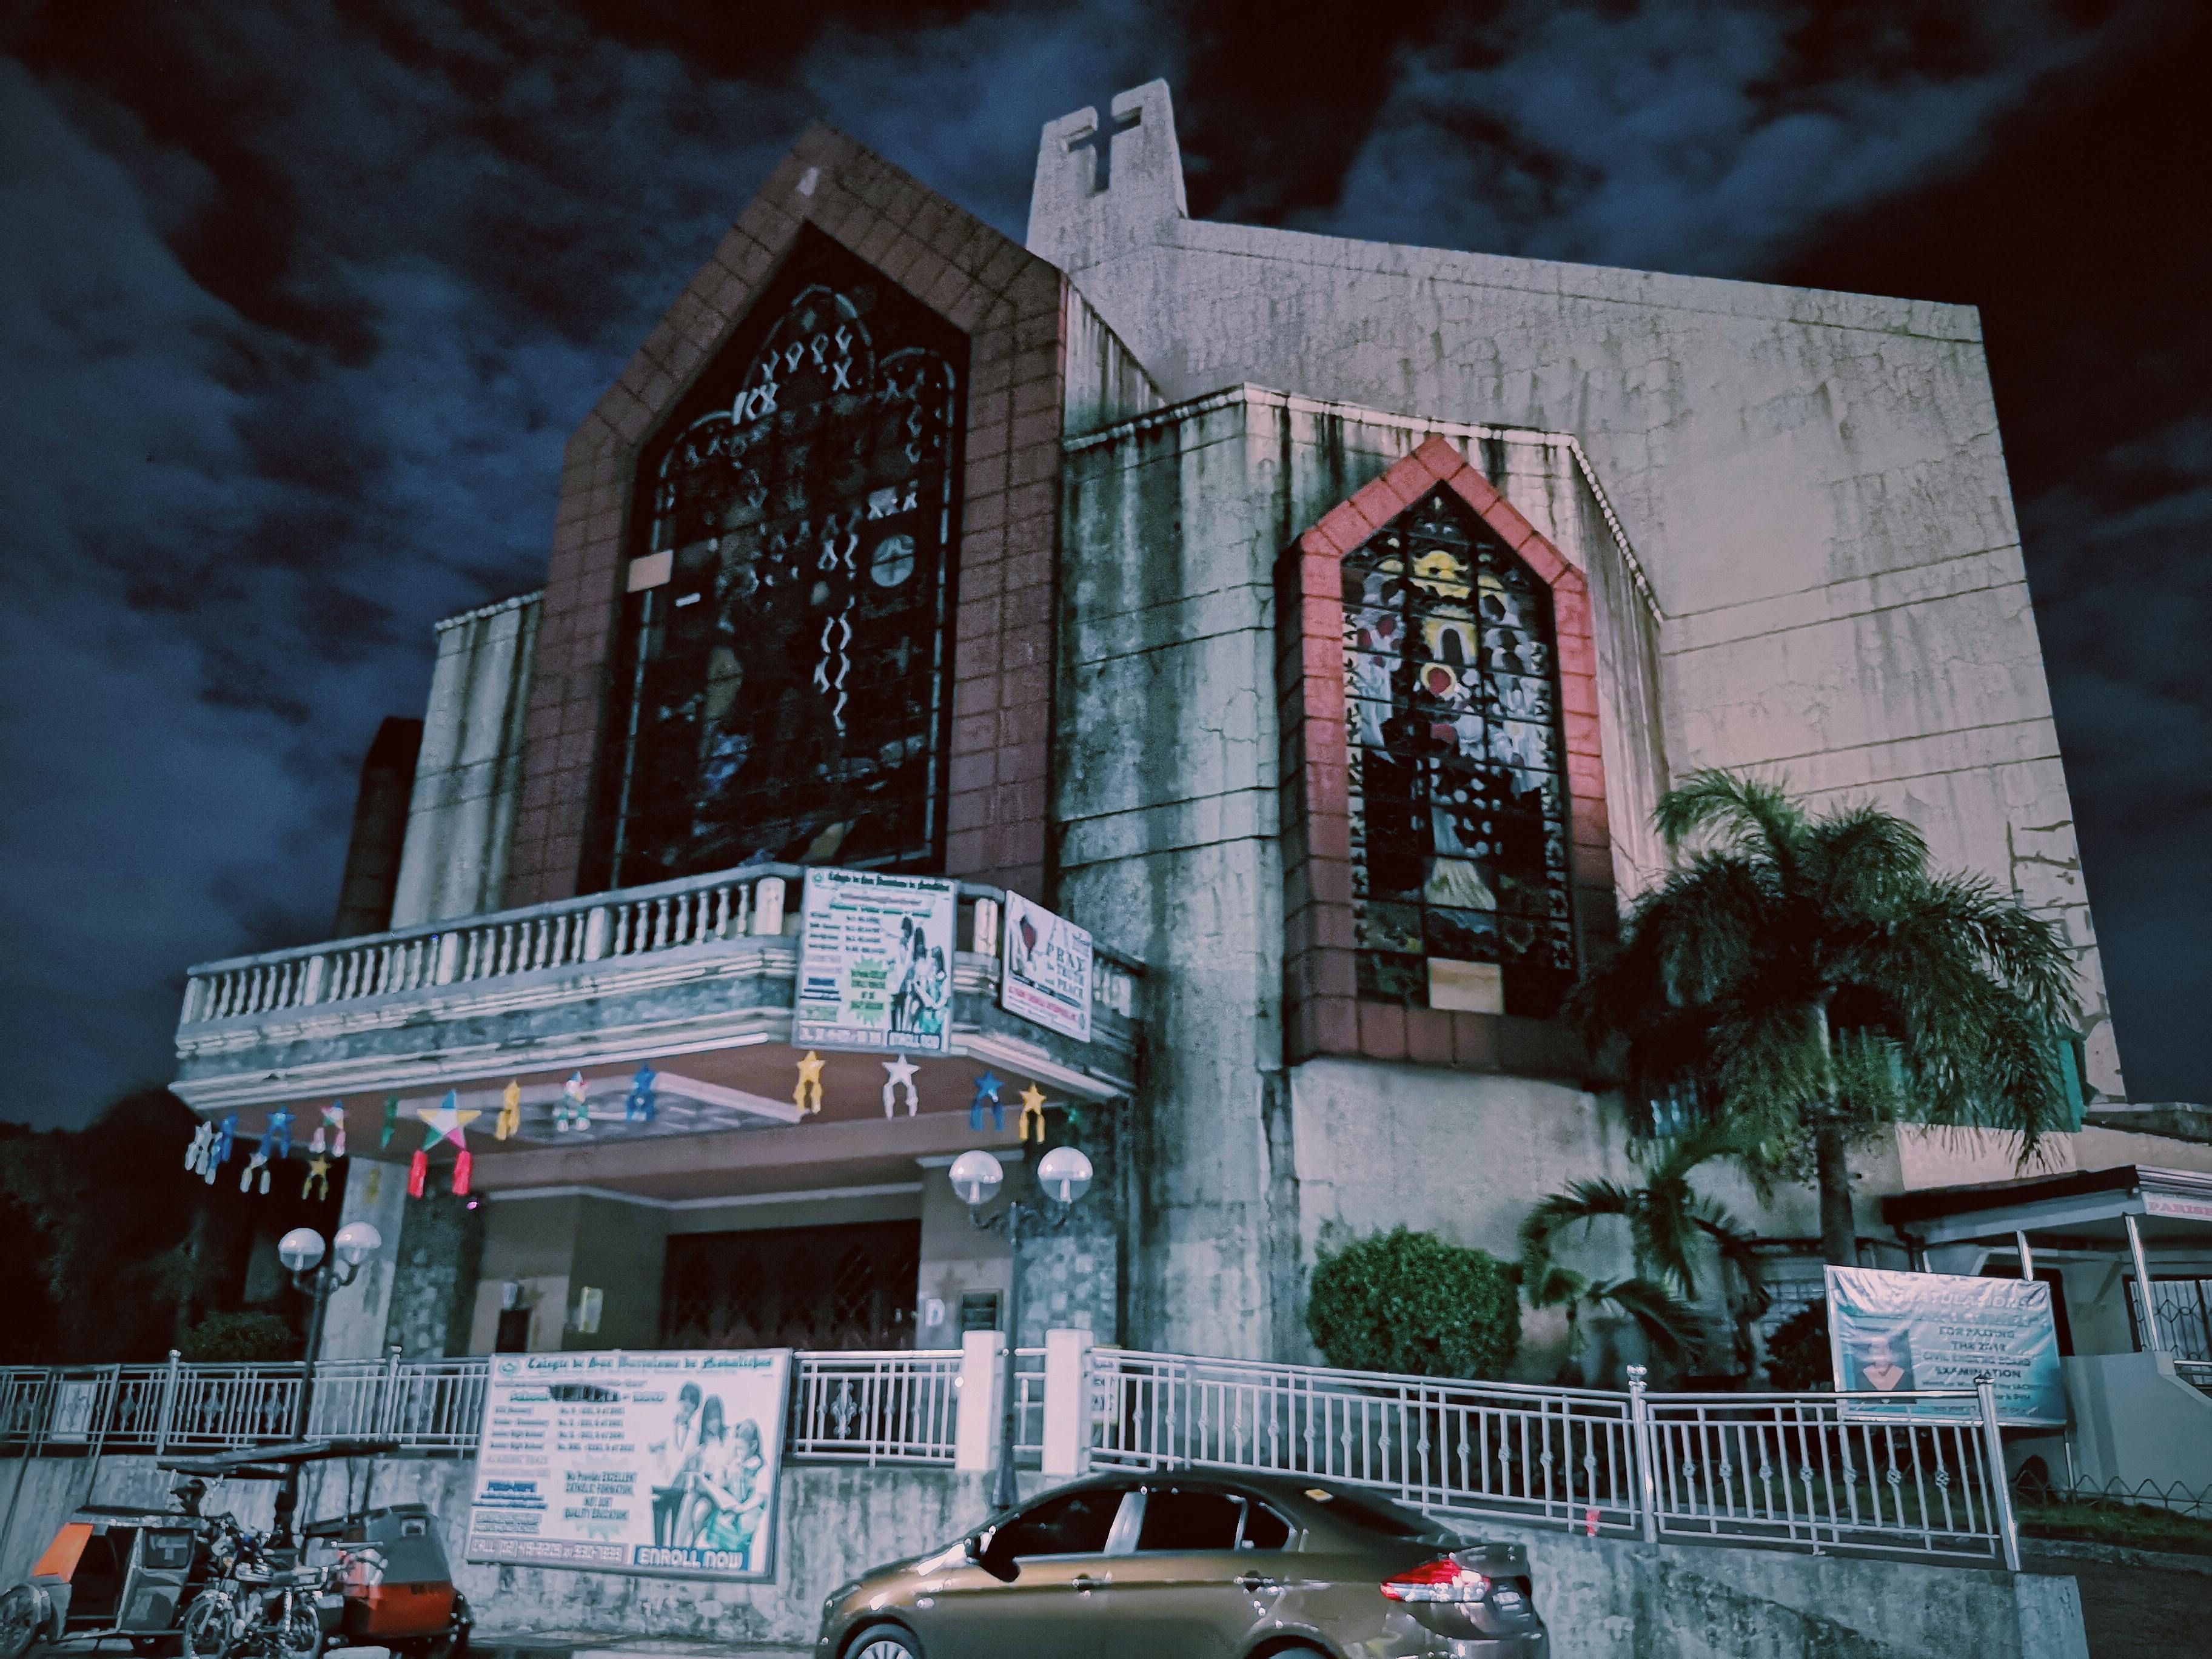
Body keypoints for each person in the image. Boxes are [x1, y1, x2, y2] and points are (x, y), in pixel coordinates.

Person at [695, 1416, 769, 1569]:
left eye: (741, 1449)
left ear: (754, 1446)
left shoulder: (761, 1469)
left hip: (747, 1513)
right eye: (736, 1449)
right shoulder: (735, 1465)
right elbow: (726, 1485)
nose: (738, 1453)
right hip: (730, 1509)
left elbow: (761, 1497)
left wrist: (743, 1508)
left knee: (740, 1528)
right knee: (713, 1527)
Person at [647, 1383, 703, 1546]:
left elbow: (694, 1462)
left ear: (696, 1408)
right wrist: (657, 1447)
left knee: (676, 1536)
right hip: (660, 1484)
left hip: (679, 1488)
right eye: (684, 1400)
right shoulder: (663, 1424)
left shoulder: (695, 1434)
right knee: (658, 1537)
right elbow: (649, 1445)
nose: (687, 1405)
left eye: (692, 1402)